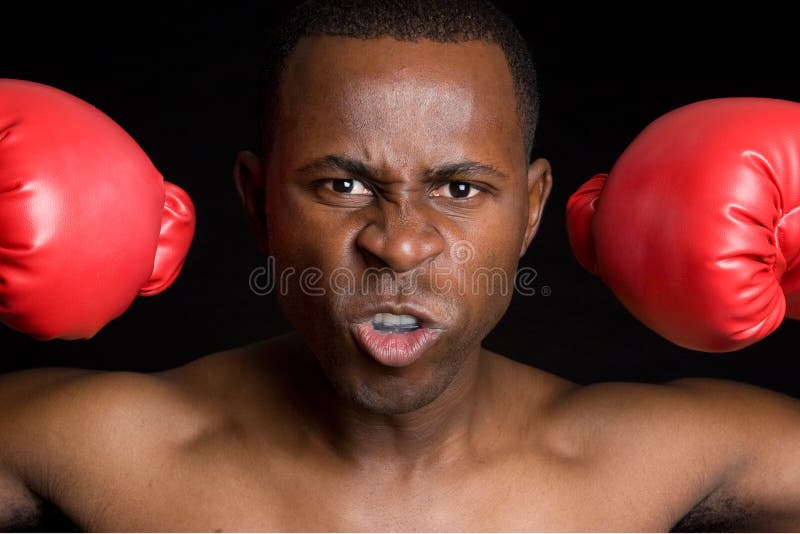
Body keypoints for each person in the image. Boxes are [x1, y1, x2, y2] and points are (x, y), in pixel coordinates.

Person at [2, 0, 799, 531]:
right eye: (342, 184)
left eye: (459, 188)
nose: (399, 244)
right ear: (257, 204)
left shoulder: (664, 462)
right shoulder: (95, 450)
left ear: (530, 211)